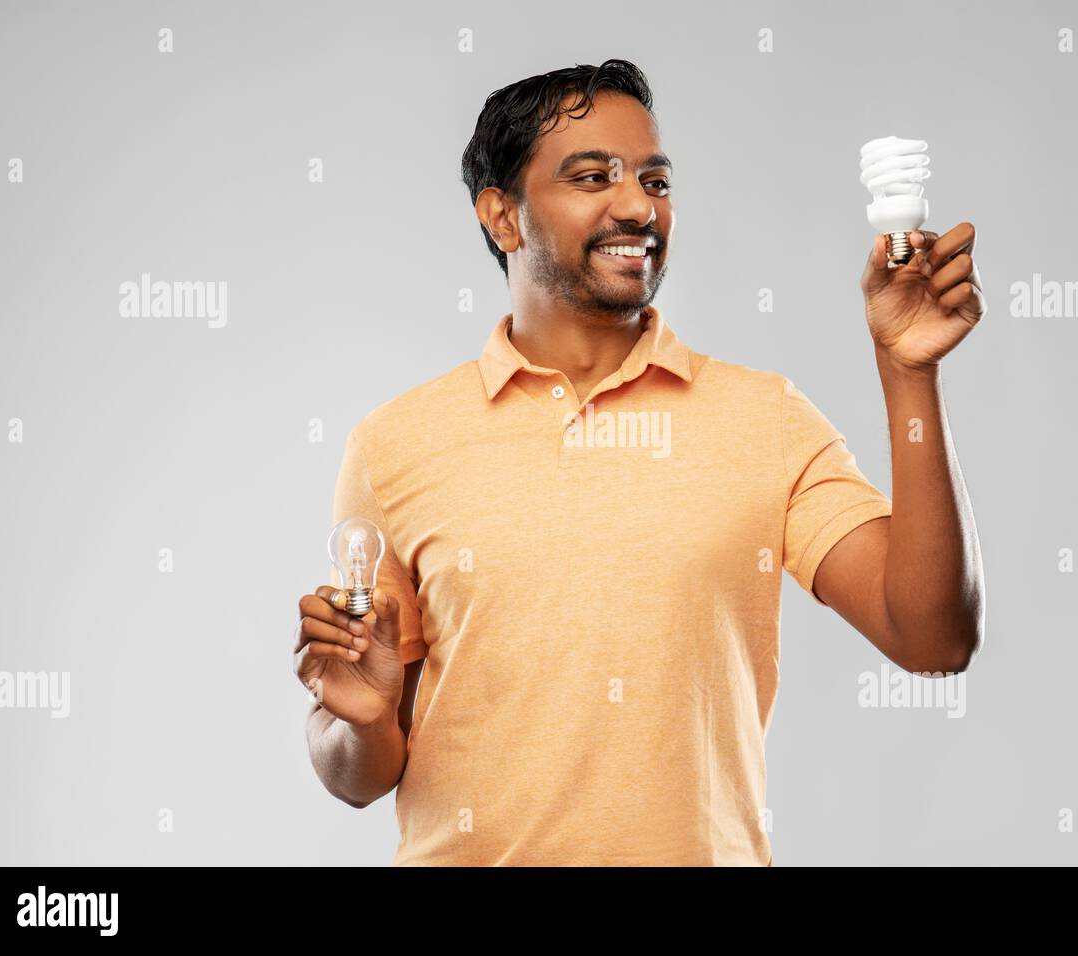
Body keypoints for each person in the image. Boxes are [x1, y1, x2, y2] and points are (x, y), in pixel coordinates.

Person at [294, 58, 986, 866]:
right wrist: (364, 720)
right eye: (594, 177)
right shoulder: (394, 445)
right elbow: (360, 776)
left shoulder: (764, 419)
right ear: (502, 216)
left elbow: (934, 639)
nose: (638, 206)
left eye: (655, 182)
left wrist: (909, 373)